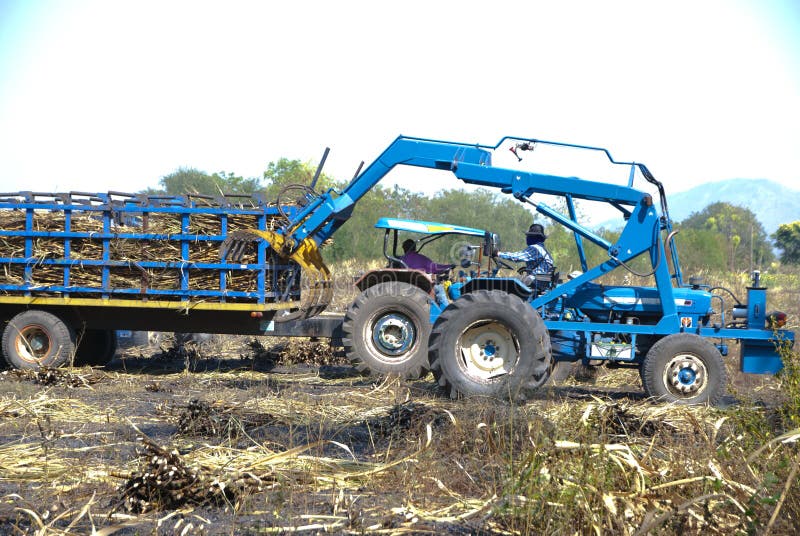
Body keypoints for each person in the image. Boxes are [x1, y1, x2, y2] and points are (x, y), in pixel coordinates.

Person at [400, 239, 453, 307]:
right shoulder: (421, 258)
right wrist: (449, 266)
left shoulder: (401, 259)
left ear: (404, 249)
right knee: (439, 288)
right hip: (421, 286)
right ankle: (447, 310)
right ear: (415, 248)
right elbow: (435, 268)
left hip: (407, 286)